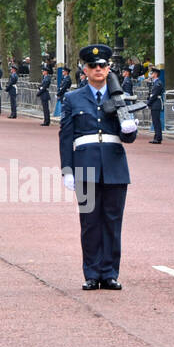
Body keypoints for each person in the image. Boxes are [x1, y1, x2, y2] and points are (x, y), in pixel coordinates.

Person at [59, 45, 138, 291]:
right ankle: (92, 273)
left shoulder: (119, 97)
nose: (98, 70)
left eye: (102, 66)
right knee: (90, 223)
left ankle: (110, 273)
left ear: (108, 68)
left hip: (114, 167)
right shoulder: (73, 98)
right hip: (85, 167)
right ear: (85, 70)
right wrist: (67, 170)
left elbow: (128, 139)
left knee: (113, 223)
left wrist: (130, 130)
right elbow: (66, 137)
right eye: (93, 66)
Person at [145, 66, 164, 143]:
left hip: (156, 103)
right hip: (154, 103)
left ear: (155, 74)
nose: (151, 74)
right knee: (155, 121)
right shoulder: (154, 82)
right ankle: (156, 137)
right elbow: (150, 92)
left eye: (152, 73)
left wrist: (148, 103)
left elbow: (154, 95)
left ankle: (158, 138)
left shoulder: (158, 83)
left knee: (156, 121)